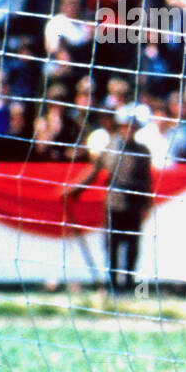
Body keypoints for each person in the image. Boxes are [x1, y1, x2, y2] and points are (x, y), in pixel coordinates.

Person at [61, 103, 155, 295]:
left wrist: (146, 204)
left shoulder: (143, 151)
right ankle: (112, 283)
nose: (129, 130)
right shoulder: (110, 148)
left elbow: (147, 181)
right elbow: (94, 173)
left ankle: (128, 283)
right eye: (126, 126)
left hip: (134, 205)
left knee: (131, 247)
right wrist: (74, 190)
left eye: (133, 127)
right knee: (112, 245)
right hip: (114, 204)